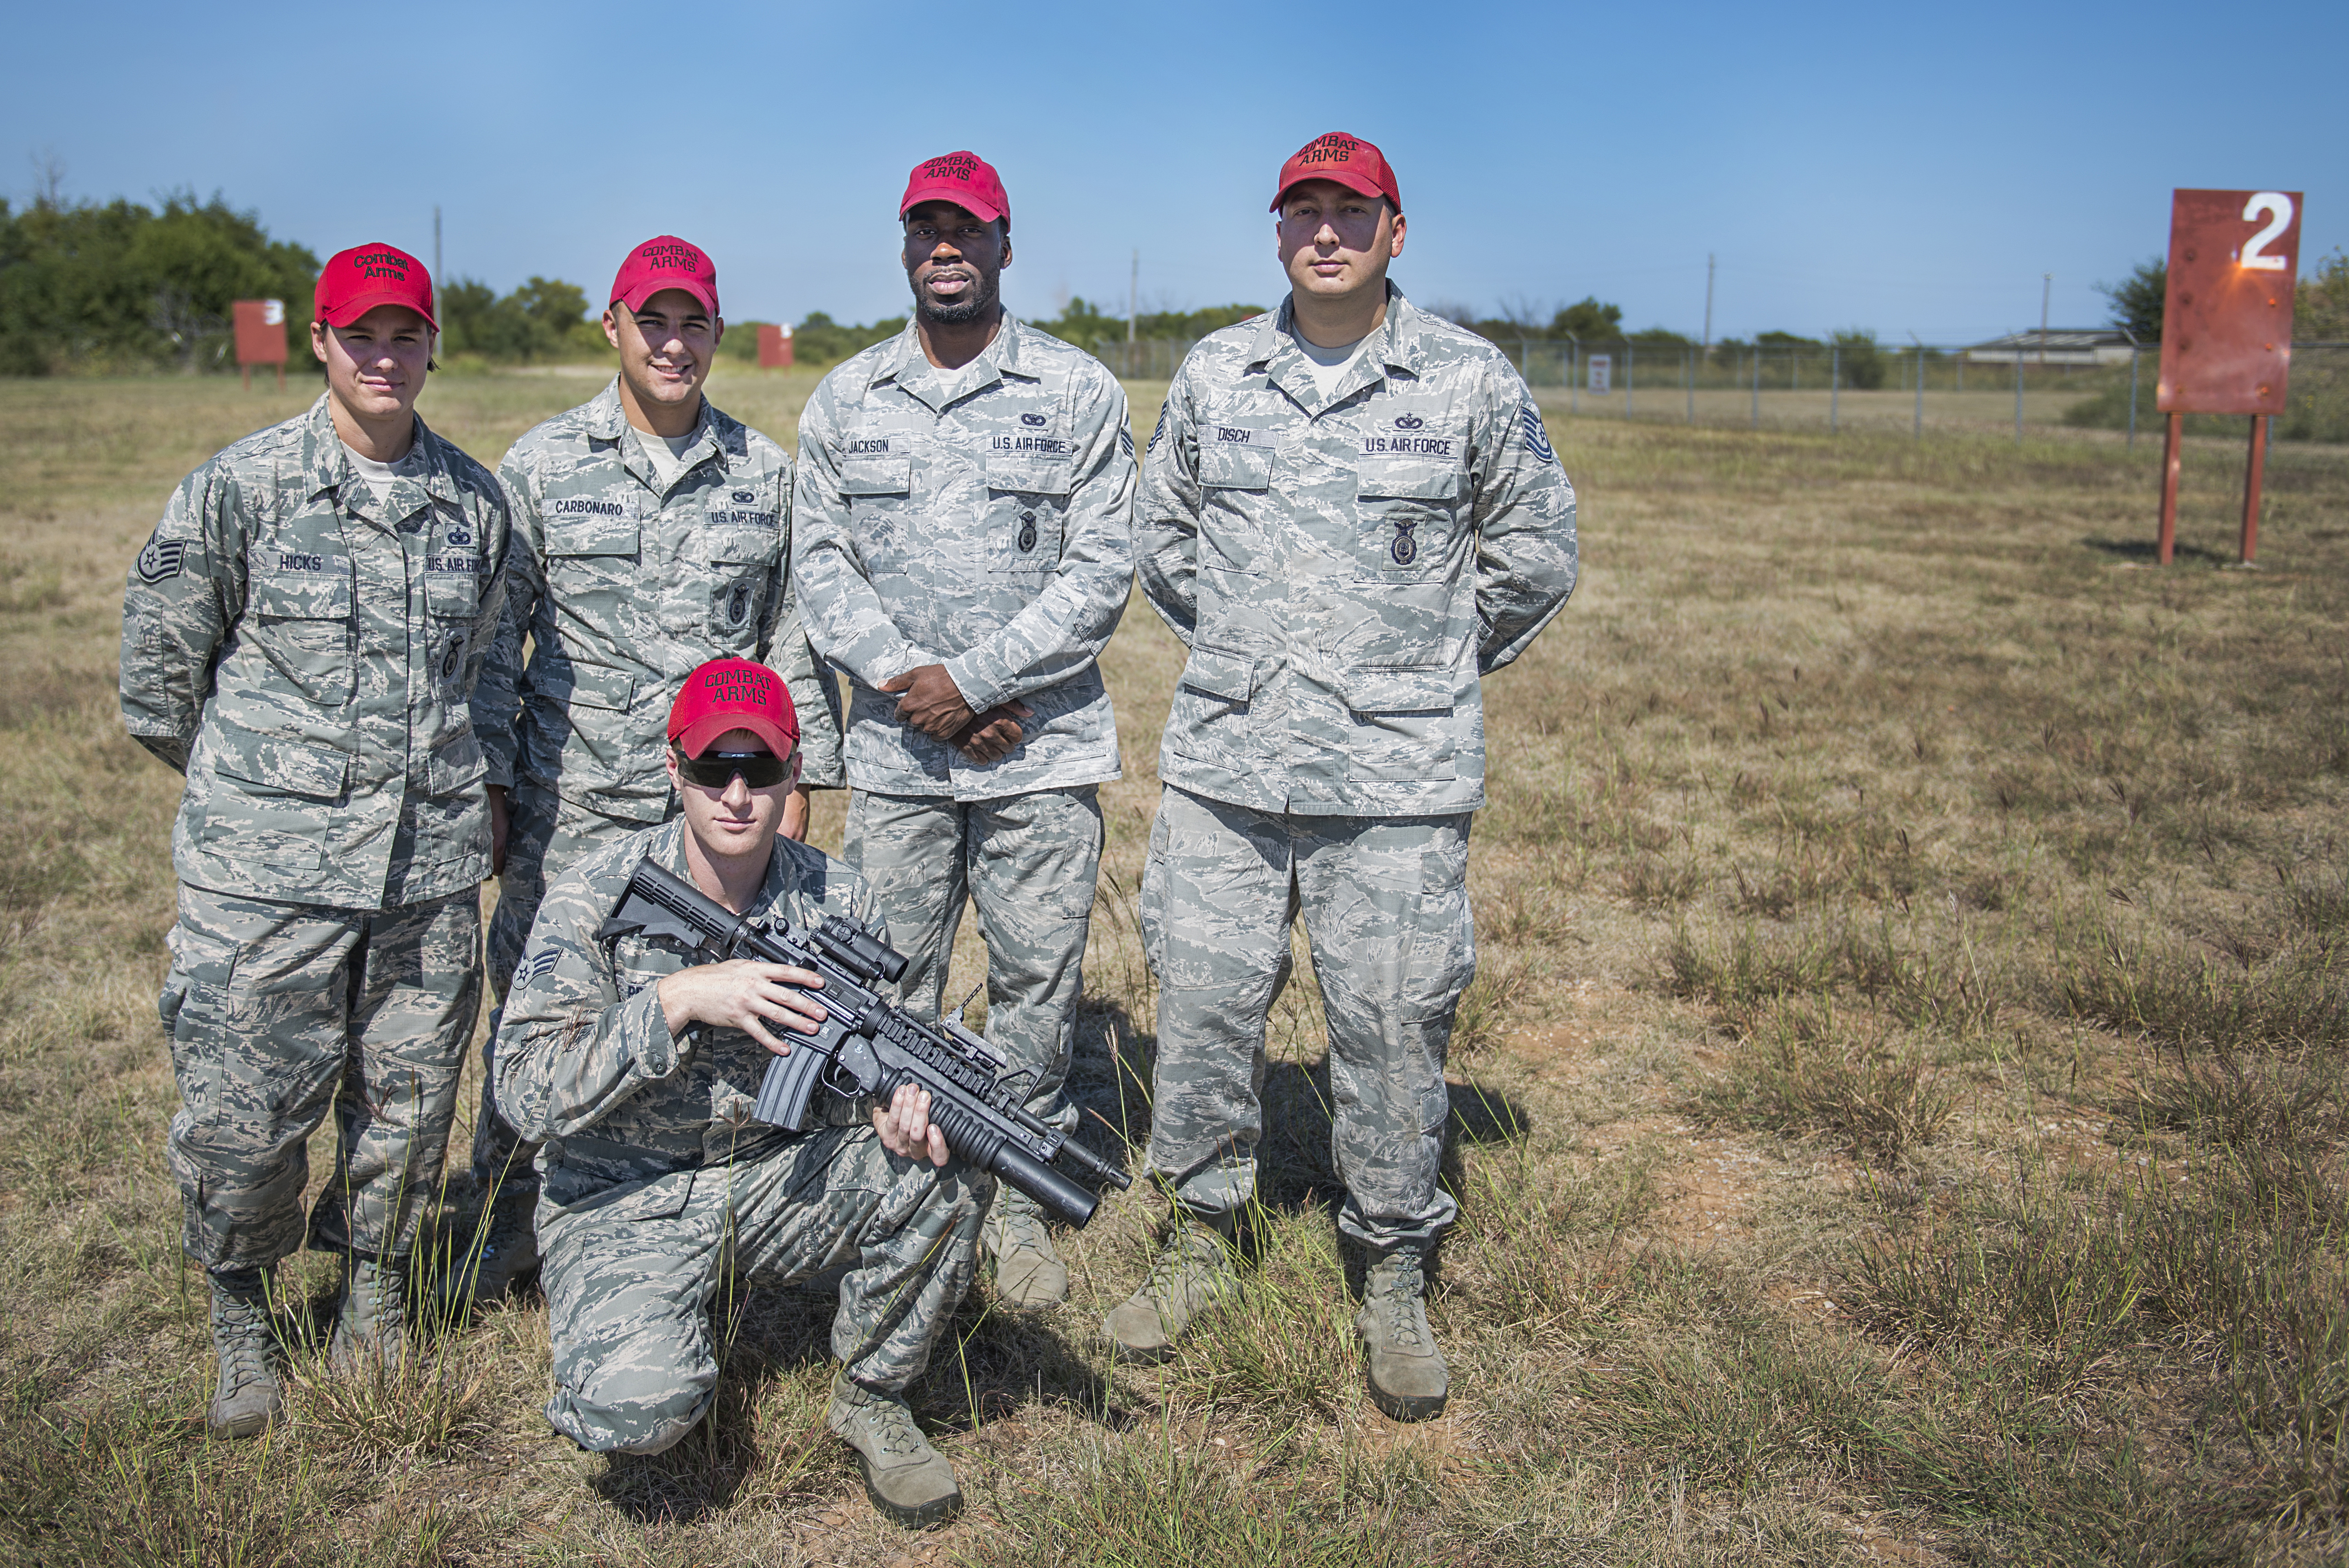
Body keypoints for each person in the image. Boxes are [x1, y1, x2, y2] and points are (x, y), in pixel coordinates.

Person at [1113, 133, 1579, 1419]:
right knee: (1202, 1008)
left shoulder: (1467, 380)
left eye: (1351, 212)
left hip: (1394, 782)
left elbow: (1535, 550)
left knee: (1388, 1025)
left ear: (1395, 229)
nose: (1326, 232)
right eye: (1302, 211)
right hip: (1229, 765)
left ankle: (1389, 1265)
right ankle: (1200, 1233)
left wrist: (1418, 663)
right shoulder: (1217, 372)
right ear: (1275, 232)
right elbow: (1164, 538)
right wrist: (1259, 648)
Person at [118, 242, 513, 1436]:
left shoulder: (477, 506)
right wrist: (261, 803)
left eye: (405, 334)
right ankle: (243, 1322)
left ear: (432, 344)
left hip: (427, 880)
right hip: (265, 881)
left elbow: (491, 672)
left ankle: (376, 1301)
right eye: (362, 334)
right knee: (244, 1118)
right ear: (322, 343)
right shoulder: (240, 490)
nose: (384, 355)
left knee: (407, 1108)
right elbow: (157, 680)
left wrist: (466, 784)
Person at [492, 658, 987, 1528]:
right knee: (639, 1412)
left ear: (793, 773)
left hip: (769, 1179)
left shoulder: (839, 896)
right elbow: (523, 1092)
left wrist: (893, 1111)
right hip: (619, 1199)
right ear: (672, 770)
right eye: (711, 768)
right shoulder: (595, 893)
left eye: (758, 768)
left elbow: (865, 1068)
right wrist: (677, 1002)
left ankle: (872, 1394)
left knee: (947, 1167)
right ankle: (642, 1319)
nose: (735, 793)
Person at [453, 235, 844, 1307]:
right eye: (653, 322)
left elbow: (792, 637)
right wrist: (494, 780)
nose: (674, 344)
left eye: (694, 325)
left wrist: (802, 774)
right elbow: (500, 644)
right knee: (539, 1006)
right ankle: (508, 1215)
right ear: (614, 327)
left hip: (720, 803)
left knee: (709, 1000)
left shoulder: (765, 477)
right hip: (572, 801)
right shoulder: (540, 466)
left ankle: (673, 1195)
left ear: (717, 334)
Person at [792, 151, 1135, 1310]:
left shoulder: (1078, 391)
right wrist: (909, 686)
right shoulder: (847, 399)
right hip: (896, 756)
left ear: (1004, 244)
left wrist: (976, 682)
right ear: (904, 246)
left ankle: (1025, 1200)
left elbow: (1102, 572)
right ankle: (897, 1186)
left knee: (1038, 983)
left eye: (968, 228)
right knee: (887, 983)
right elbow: (822, 564)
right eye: (926, 228)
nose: (947, 246)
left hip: (1039, 747)